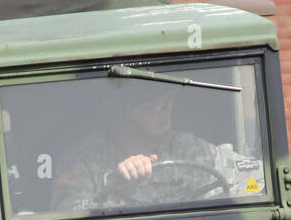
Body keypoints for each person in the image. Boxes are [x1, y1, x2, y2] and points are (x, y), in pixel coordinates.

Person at [50, 88, 227, 212]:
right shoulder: (85, 161)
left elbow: (245, 174)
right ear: (122, 114)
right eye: (151, 108)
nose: (164, 114)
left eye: (167, 104)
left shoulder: (187, 148)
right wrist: (117, 191)